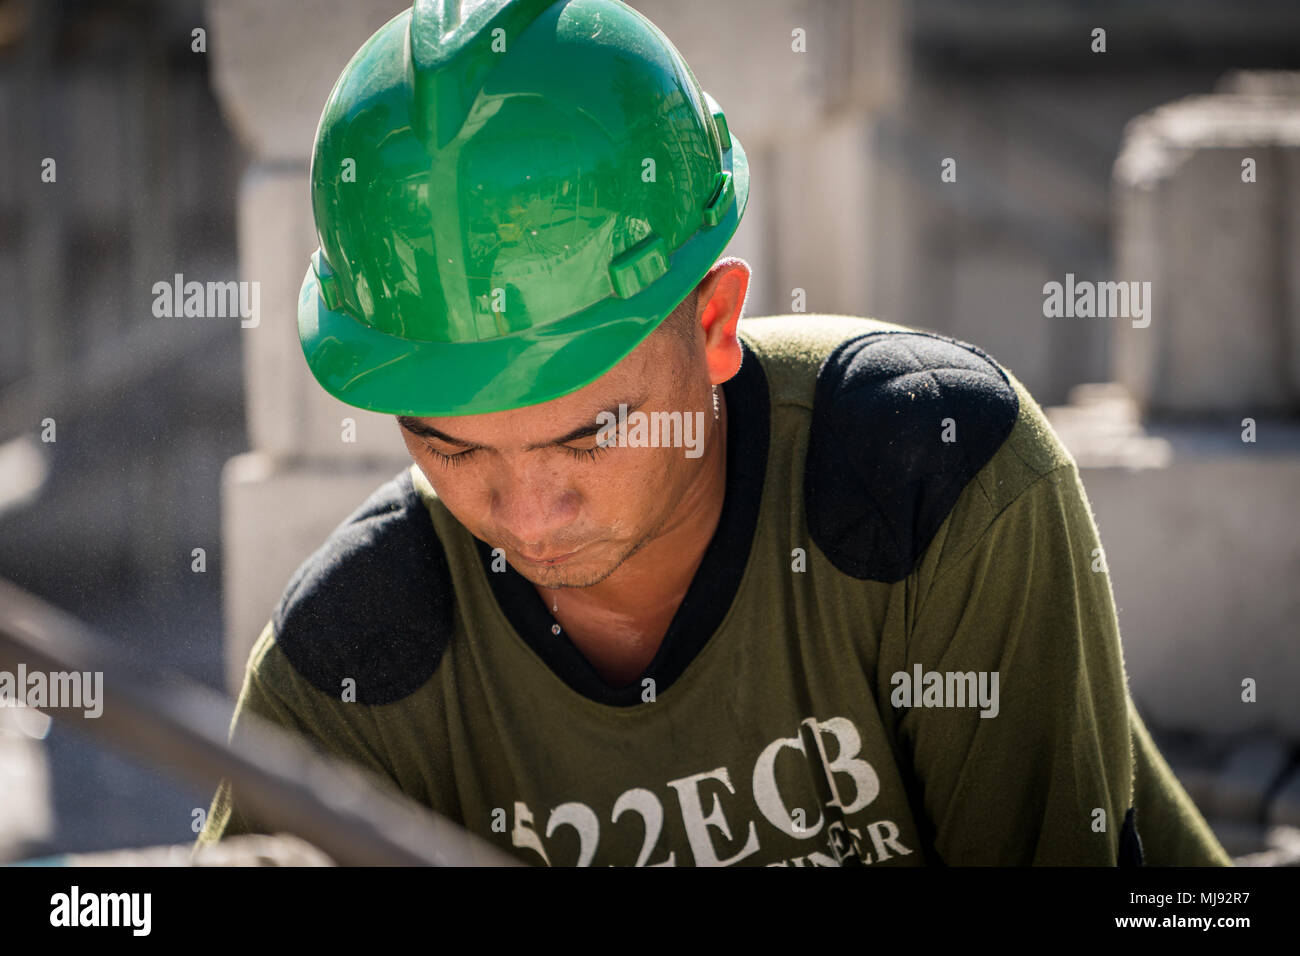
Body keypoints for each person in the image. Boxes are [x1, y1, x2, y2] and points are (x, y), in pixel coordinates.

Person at [196, 0, 1229, 867]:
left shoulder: (929, 480)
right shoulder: (354, 661)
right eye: (452, 448)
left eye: (589, 433)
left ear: (715, 323)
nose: (526, 515)